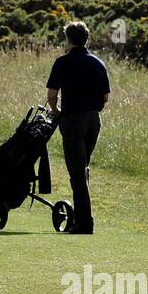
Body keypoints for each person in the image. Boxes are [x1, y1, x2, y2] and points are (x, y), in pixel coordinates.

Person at [45, 21, 111, 235]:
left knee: (77, 173)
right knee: (82, 168)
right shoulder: (98, 63)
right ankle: (83, 217)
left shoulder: (62, 62)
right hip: (93, 120)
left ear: (68, 39)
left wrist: (56, 111)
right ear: (87, 38)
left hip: (72, 120)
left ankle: (84, 223)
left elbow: (52, 96)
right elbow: (105, 98)